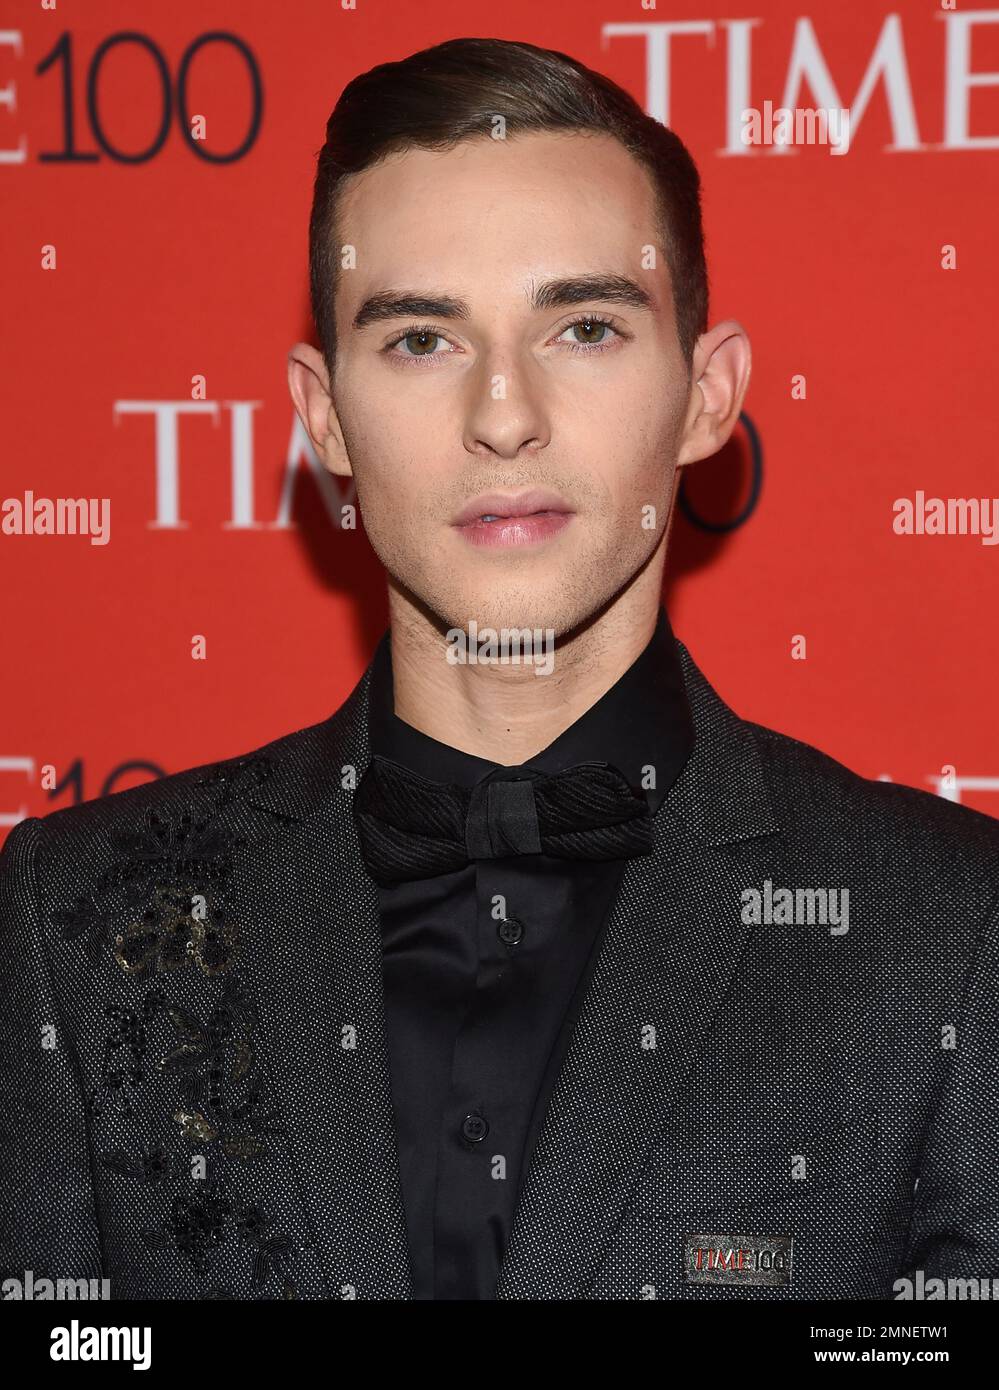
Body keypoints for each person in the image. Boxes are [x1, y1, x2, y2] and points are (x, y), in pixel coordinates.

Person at [2, 36, 997, 1303]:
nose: (503, 412)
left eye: (584, 326)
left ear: (707, 393)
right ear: (325, 417)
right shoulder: (83, 921)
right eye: (422, 339)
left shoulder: (950, 928)